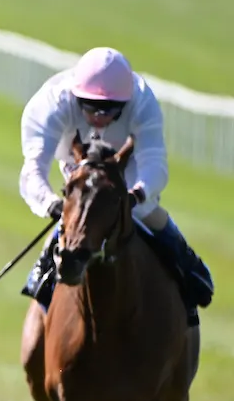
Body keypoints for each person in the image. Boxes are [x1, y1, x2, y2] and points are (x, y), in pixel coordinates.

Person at [19, 46, 213, 326]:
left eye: (110, 110)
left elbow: (154, 164)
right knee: (77, 212)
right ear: (76, 96)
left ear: (126, 102)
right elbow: (33, 169)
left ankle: (186, 262)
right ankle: (45, 269)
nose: (99, 116)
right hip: (75, 164)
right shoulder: (52, 104)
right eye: (90, 107)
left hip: (127, 170)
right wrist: (52, 203)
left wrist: (137, 195)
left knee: (146, 212)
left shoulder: (143, 103)